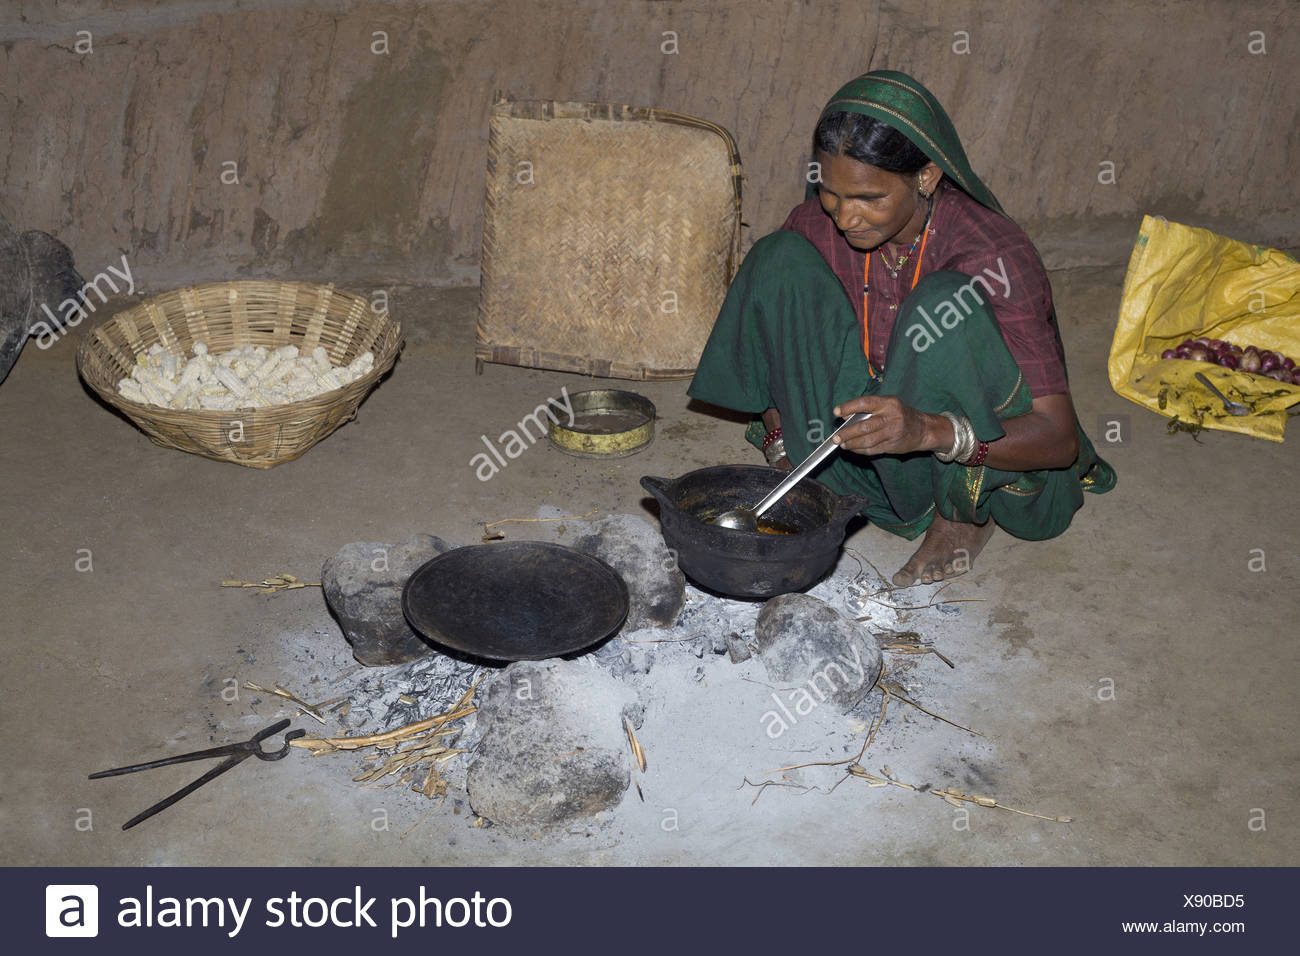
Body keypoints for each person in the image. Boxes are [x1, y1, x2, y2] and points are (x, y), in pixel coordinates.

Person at [687, 70, 1116, 588]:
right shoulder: (815, 224)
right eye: (832, 193)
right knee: (778, 257)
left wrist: (927, 430)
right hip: (853, 441)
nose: (846, 218)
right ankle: (805, 466)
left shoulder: (992, 255)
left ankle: (959, 516)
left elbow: (1057, 440)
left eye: (869, 197)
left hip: (954, 450)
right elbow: (773, 330)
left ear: (927, 177)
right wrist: (781, 442)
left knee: (942, 300)